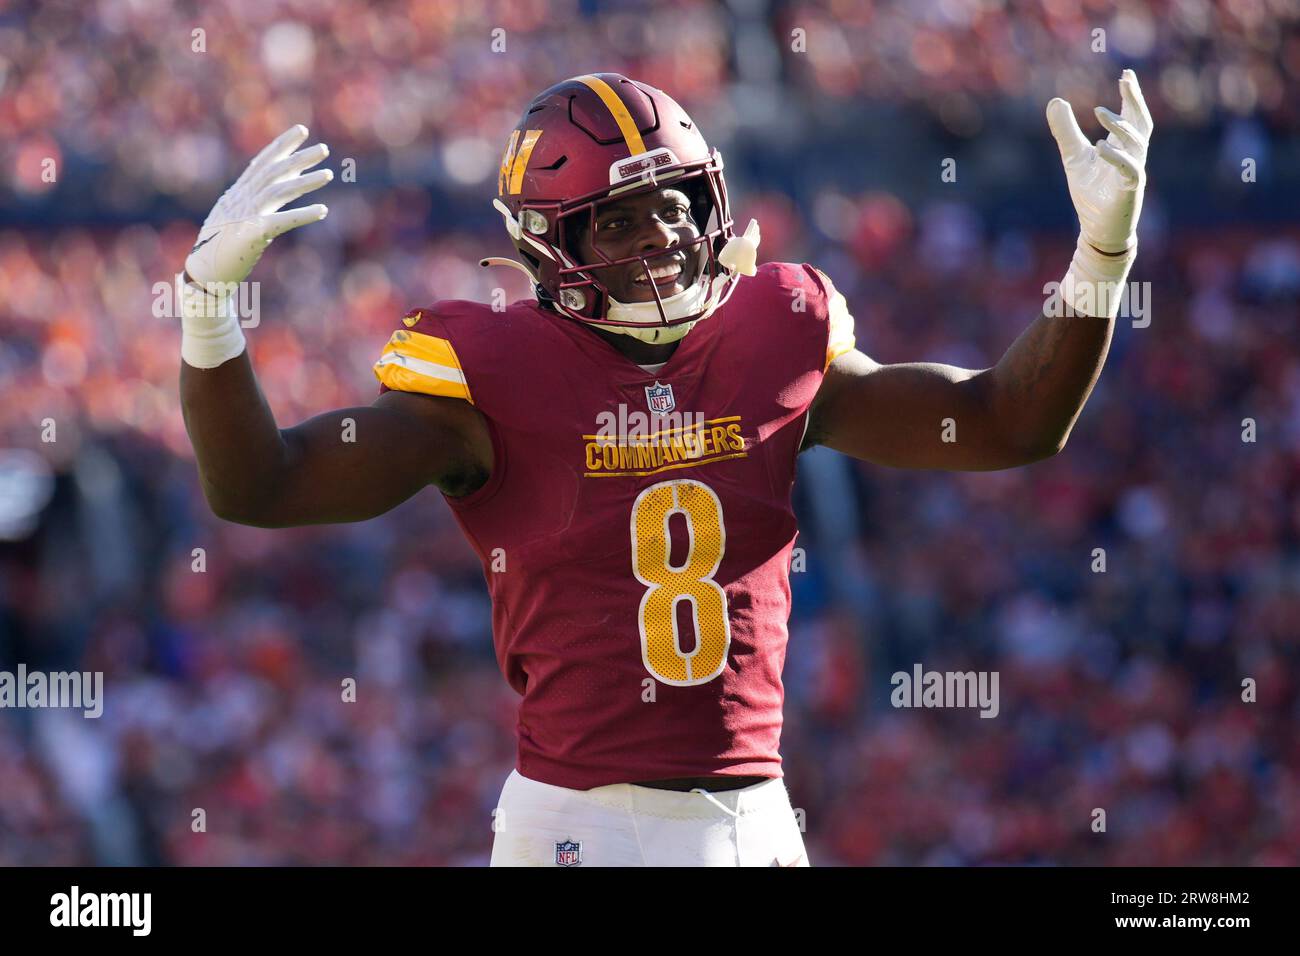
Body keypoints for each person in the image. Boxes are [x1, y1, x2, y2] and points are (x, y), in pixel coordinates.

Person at [177, 72, 1152, 866]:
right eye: (617, 220)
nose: (661, 236)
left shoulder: (775, 334)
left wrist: (1100, 256)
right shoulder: (485, 377)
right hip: (579, 828)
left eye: (675, 203)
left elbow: (1000, 424)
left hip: (759, 817)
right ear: (546, 241)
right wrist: (210, 312)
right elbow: (259, 487)